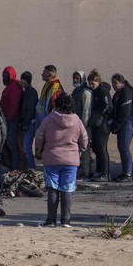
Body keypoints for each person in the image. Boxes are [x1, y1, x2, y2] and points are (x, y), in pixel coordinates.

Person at [34, 93, 88, 227]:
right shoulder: (77, 121)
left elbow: (39, 136)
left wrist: (39, 150)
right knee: (67, 188)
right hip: (71, 160)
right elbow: (84, 139)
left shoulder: (48, 120)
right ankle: (66, 220)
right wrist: (80, 149)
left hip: (51, 158)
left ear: (57, 105)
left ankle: (51, 220)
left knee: (52, 188)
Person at [109, 74, 133, 182]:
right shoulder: (117, 94)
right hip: (121, 123)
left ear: (122, 82)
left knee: (125, 146)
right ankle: (124, 172)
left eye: (115, 83)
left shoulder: (126, 91)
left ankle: (128, 174)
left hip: (128, 121)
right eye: (112, 83)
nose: (113, 85)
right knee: (121, 147)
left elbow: (125, 111)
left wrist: (116, 126)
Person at [87, 70, 113, 182]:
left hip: (103, 124)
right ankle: (99, 170)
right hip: (96, 124)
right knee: (96, 147)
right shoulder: (95, 92)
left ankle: (105, 173)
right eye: (89, 84)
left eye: (93, 83)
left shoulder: (102, 91)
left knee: (102, 148)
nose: (91, 86)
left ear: (98, 81)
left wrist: (101, 116)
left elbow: (108, 106)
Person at [0, 66, 23, 171]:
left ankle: (15, 168)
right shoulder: (10, 86)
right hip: (7, 119)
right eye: (3, 76)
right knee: (7, 145)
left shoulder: (15, 86)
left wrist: (9, 117)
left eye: (6, 76)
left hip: (11, 120)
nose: (4, 78)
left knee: (12, 145)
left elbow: (14, 104)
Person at [71, 70, 93, 178]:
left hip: (84, 125)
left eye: (77, 78)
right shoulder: (76, 91)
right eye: (74, 78)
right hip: (76, 125)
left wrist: (83, 127)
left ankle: (87, 172)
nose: (75, 80)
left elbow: (87, 110)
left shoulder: (86, 92)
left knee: (85, 149)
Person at [19, 71, 39, 170]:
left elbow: (30, 109)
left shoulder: (31, 92)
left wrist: (25, 122)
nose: (21, 81)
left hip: (30, 123)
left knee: (27, 149)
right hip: (27, 123)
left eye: (22, 79)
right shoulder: (27, 91)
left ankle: (31, 170)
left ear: (27, 80)